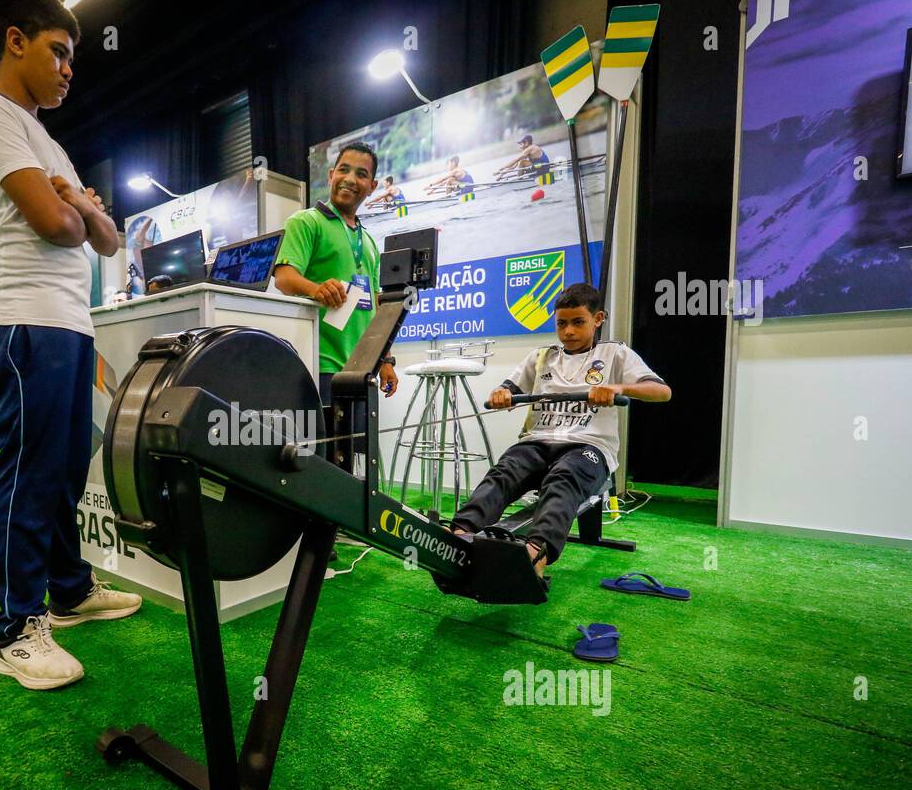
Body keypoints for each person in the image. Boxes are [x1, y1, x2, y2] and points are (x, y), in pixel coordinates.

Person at [0, 0, 142, 691]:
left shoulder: (50, 142)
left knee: (65, 467)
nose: (69, 69)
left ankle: (69, 591)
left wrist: (82, 206)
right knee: (28, 470)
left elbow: (108, 238)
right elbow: (56, 225)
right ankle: (15, 632)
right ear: (15, 40)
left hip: (67, 319)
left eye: (74, 57)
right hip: (22, 316)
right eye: (59, 50)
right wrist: (79, 208)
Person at [450, 283, 671, 577]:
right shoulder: (542, 356)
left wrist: (617, 387)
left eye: (578, 322)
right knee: (504, 472)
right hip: (538, 442)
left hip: (588, 447)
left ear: (598, 319)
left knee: (563, 480)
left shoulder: (615, 353)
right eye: (562, 323)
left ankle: (533, 557)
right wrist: (501, 393)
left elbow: (661, 391)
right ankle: (458, 536)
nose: (568, 331)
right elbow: (507, 388)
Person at [273, 140, 399, 462]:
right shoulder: (306, 222)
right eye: (343, 169)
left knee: (351, 463)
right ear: (330, 174)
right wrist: (316, 289)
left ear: (371, 187)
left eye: (361, 174)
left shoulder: (368, 241)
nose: (350, 179)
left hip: (360, 370)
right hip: (320, 366)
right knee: (319, 464)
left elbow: (372, 305)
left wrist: (385, 359)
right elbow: (284, 278)